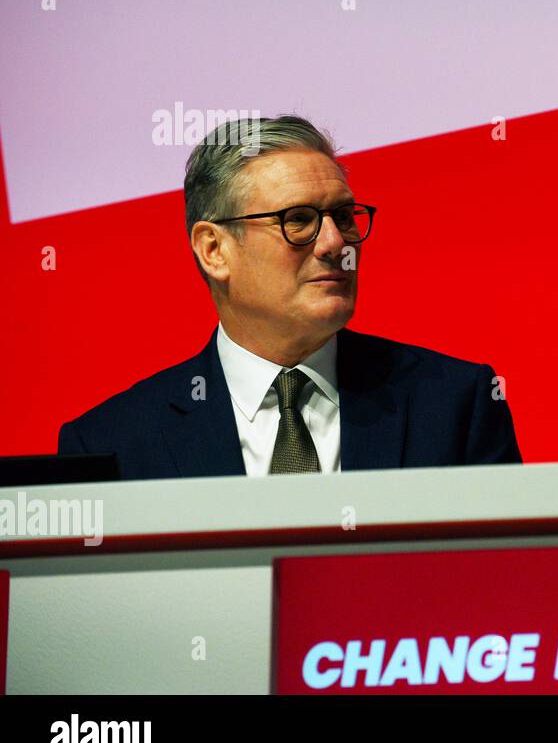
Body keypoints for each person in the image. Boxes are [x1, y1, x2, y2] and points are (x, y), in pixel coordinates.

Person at [58, 115, 522, 478]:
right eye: (297, 220)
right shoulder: (112, 444)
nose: (335, 244)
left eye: (342, 216)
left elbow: (505, 587)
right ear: (214, 249)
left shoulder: (455, 405)